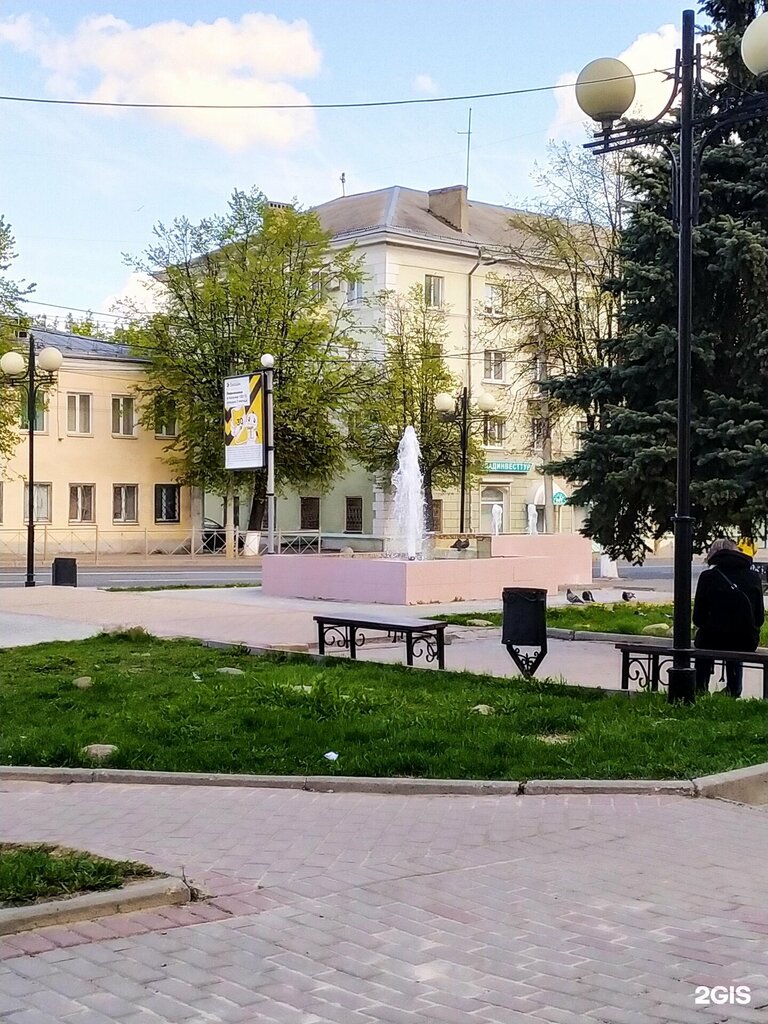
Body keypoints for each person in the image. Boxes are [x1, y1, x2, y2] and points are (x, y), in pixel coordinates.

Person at [692, 538, 764, 697]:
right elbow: (759, 618)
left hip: (711, 640)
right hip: (745, 642)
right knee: (737, 640)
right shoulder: (753, 577)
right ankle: (734, 689)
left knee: (705, 642)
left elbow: (698, 618)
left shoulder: (708, 577)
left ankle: (700, 688)